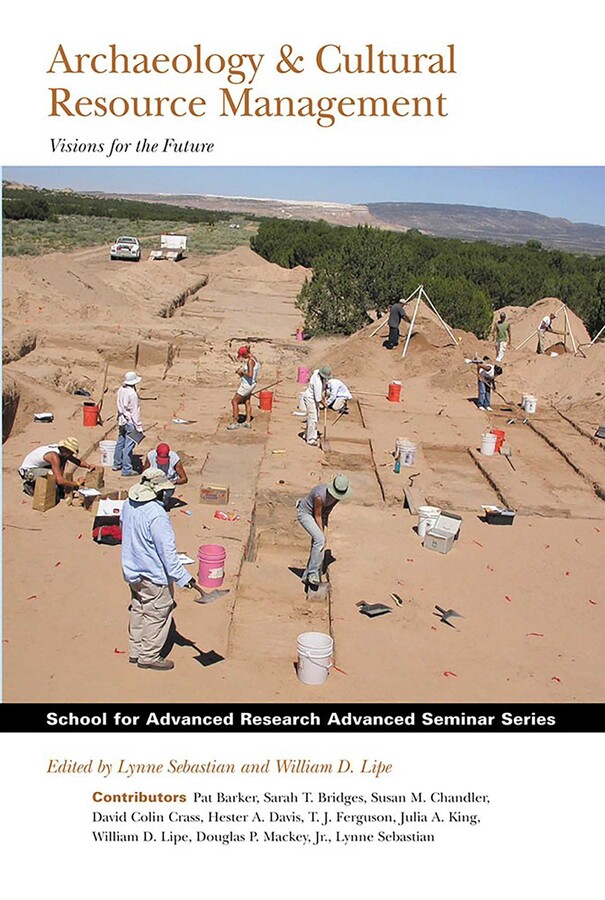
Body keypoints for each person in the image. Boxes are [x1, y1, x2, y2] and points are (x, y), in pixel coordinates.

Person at [120, 469, 206, 671]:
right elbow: (168, 554)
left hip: (133, 570)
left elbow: (125, 528)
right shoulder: (157, 515)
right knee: (157, 613)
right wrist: (186, 579)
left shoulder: (128, 504)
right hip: (153, 575)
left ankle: (135, 650)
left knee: (139, 607)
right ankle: (148, 656)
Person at [296, 474, 351, 586]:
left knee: (318, 543)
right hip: (306, 513)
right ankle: (312, 573)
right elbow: (317, 515)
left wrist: (325, 524)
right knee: (320, 540)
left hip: (320, 514)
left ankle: (307, 575)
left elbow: (327, 511)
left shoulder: (338, 495)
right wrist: (321, 533)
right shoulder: (319, 496)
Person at [18, 436, 96, 497]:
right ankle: (30, 485)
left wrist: (88, 466)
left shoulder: (62, 451)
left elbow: (76, 461)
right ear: (65, 449)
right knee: (53, 475)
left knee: (63, 461)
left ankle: (59, 487)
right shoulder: (54, 456)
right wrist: (76, 483)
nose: (71, 455)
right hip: (28, 471)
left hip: (39, 466)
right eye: (71, 452)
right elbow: (59, 480)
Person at [113, 371, 144, 477]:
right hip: (130, 422)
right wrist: (139, 427)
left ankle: (117, 463)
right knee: (128, 446)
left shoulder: (121, 389)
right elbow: (135, 412)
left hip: (122, 420)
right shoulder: (132, 394)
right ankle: (127, 469)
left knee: (120, 442)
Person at [142, 442, 188, 509]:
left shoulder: (175, 459)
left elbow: (184, 479)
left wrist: (173, 482)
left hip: (167, 483)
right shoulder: (150, 455)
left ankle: (163, 503)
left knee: (162, 501)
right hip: (154, 482)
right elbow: (144, 472)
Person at [228, 345, 260, 430]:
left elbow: (250, 374)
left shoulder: (250, 361)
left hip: (247, 385)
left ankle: (235, 422)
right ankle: (248, 421)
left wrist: (241, 372)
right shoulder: (254, 359)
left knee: (234, 401)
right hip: (251, 384)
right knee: (247, 401)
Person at [302, 365, 331, 445]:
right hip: (310, 399)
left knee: (316, 417)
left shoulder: (317, 372)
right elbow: (318, 398)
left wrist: (325, 386)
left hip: (313, 398)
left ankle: (307, 434)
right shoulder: (317, 383)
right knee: (313, 418)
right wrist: (324, 404)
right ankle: (310, 439)